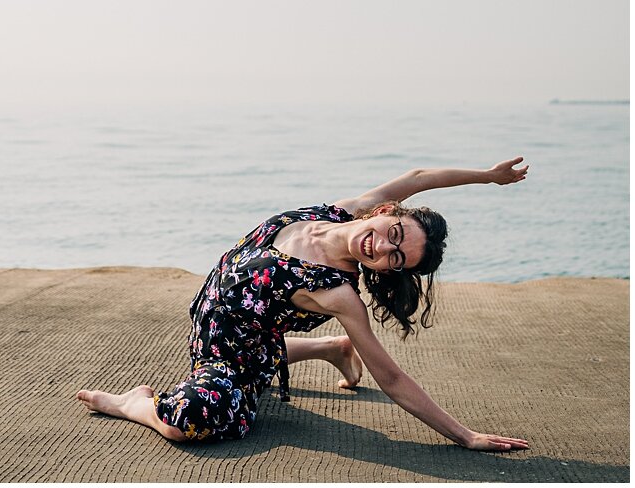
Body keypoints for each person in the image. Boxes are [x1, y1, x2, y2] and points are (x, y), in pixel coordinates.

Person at [76, 159, 532, 452]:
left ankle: (133, 404)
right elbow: (419, 179)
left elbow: (392, 378)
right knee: (252, 348)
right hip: (219, 325)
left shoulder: (338, 293)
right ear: (386, 212)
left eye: (396, 258)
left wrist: (464, 436)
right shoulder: (343, 211)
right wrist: (489, 177)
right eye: (394, 234)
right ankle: (331, 348)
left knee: (189, 421)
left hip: (226, 354)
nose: (381, 248)